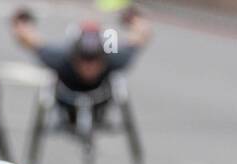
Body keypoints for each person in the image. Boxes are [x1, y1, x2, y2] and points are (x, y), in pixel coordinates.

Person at [12, 8, 150, 107]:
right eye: (84, 59)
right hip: (65, 101)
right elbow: (31, 40)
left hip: (101, 100)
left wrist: (134, 19)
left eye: (94, 59)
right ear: (74, 57)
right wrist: (22, 22)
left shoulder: (115, 58)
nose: (89, 66)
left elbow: (139, 36)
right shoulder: (60, 58)